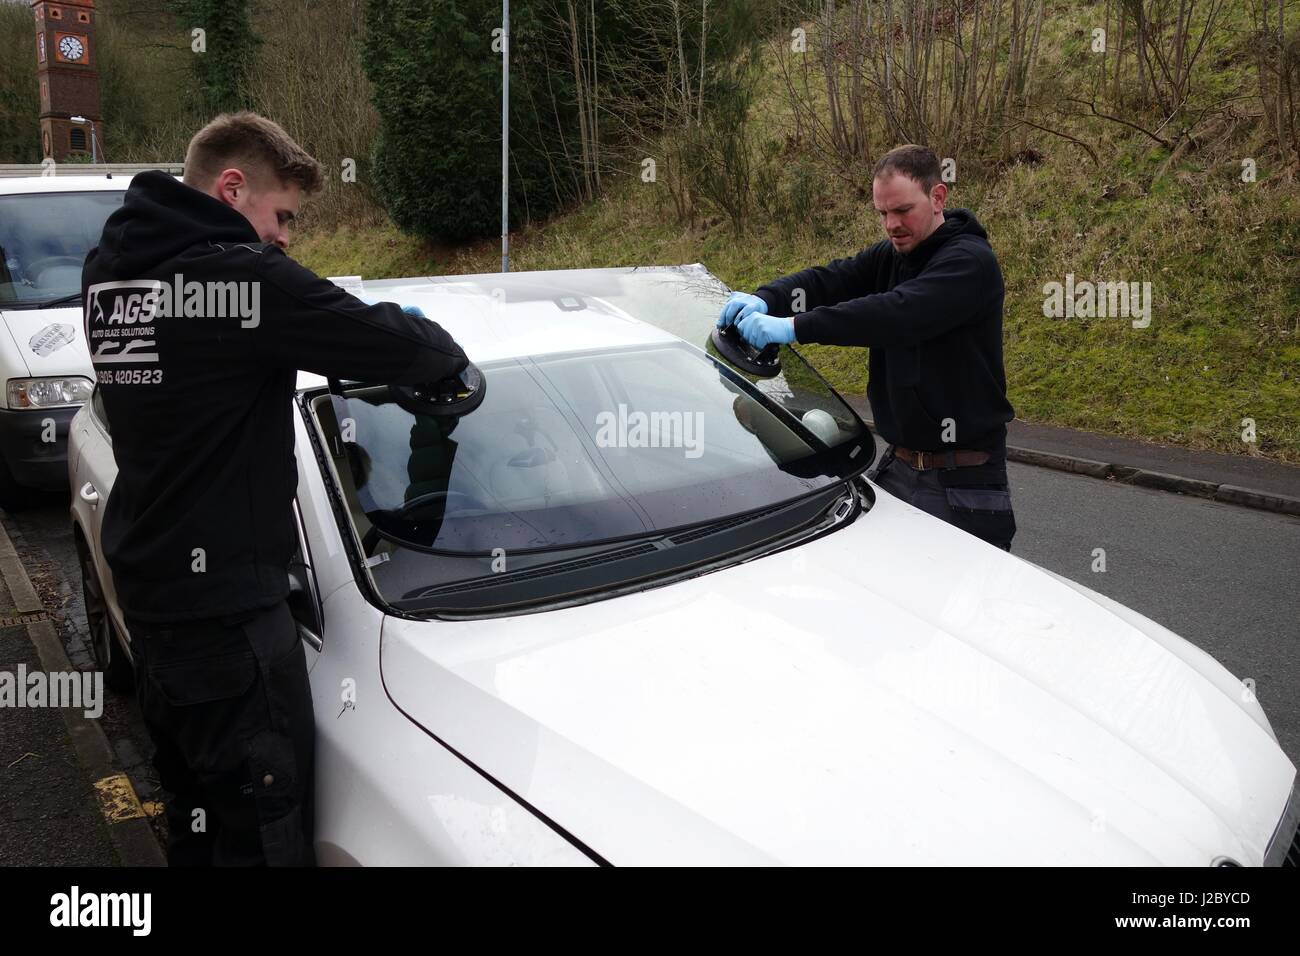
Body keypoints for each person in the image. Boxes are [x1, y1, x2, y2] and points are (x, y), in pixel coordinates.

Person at [81, 111, 469, 864]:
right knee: (264, 838)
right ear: (232, 187)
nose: (286, 236)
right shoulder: (238, 279)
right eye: (281, 215)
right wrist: (425, 339)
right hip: (229, 619)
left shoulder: (112, 271)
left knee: (194, 816)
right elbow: (399, 347)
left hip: (156, 602)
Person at [719, 144, 1017, 551]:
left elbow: (896, 314)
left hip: (961, 484)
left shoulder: (968, 263)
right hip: (899, 467)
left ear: (938, 197)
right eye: (882, 213)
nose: (892, 224)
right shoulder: (894, 255)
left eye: (902, 210)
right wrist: (767, 299)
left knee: (952, 609)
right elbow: (832, 279)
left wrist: (792, 327)